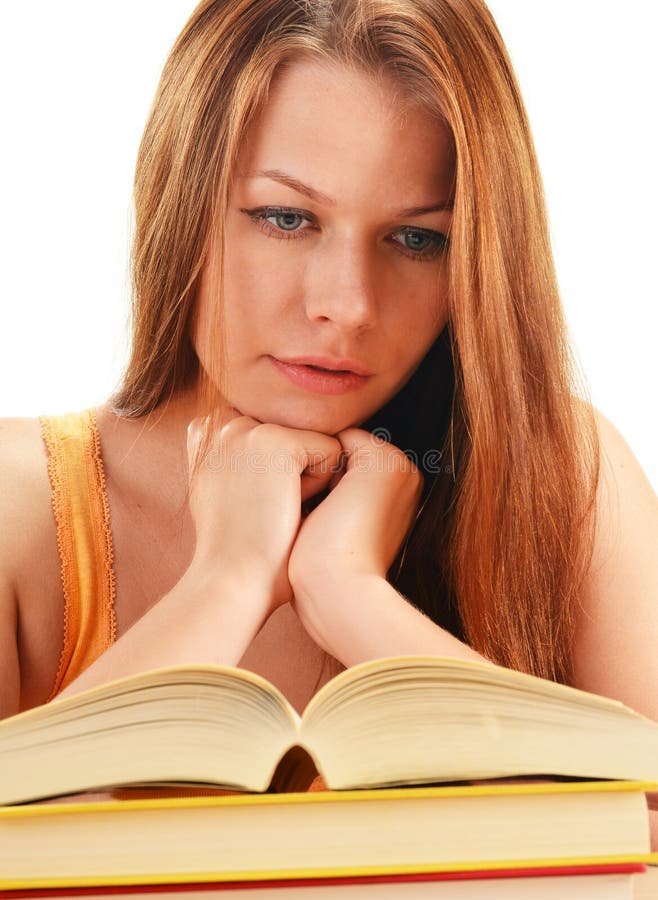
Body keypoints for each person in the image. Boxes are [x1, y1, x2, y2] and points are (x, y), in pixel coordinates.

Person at [1, 0, 656, 838]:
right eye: (286, 218)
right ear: (179, 206)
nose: (346, 306)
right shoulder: (26, 505)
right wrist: (228, 579)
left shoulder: (559, 475)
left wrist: (351, 594)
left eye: (417, 240)